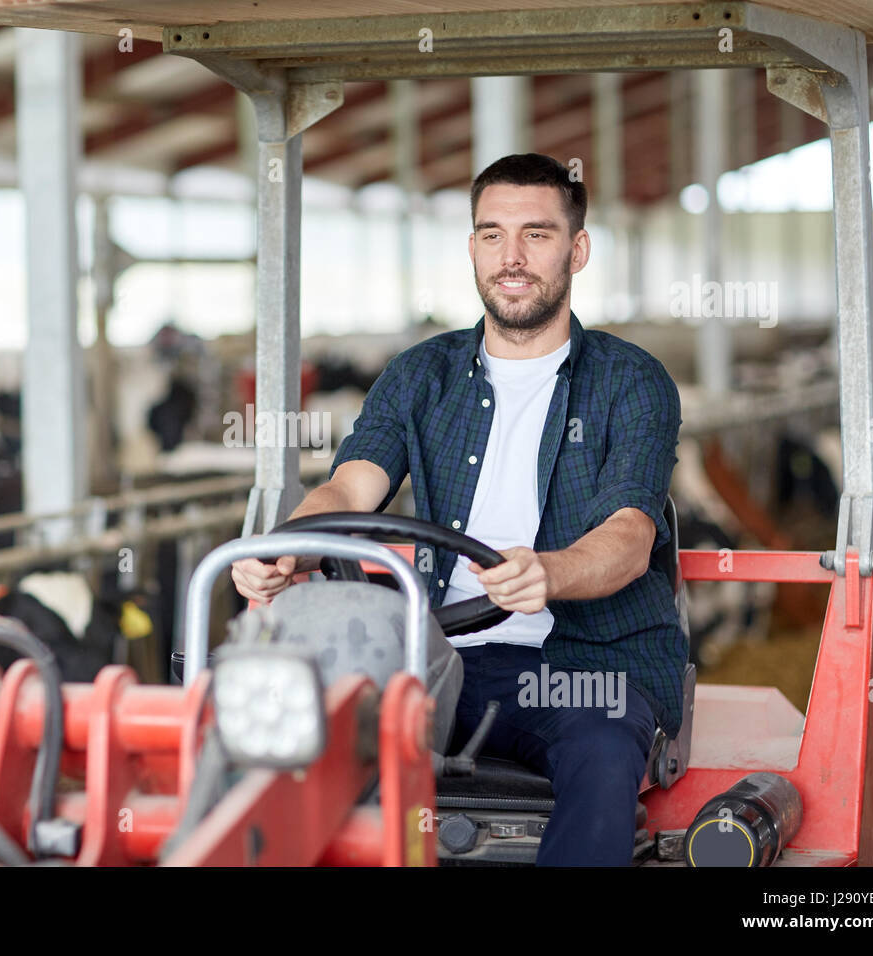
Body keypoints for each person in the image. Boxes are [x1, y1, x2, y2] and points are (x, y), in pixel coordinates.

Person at [231, 153, 685, 866]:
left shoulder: (631, 382)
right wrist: (290, 545)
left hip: (577, 665)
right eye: (491, 234)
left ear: (578, 248)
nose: (512, 257)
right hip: (433, 654)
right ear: (471, 247)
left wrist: (551, 573)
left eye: (537, 234)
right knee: (301, 734)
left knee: (601, 741)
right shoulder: (421, 374)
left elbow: (628, 534)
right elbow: (350, 490)